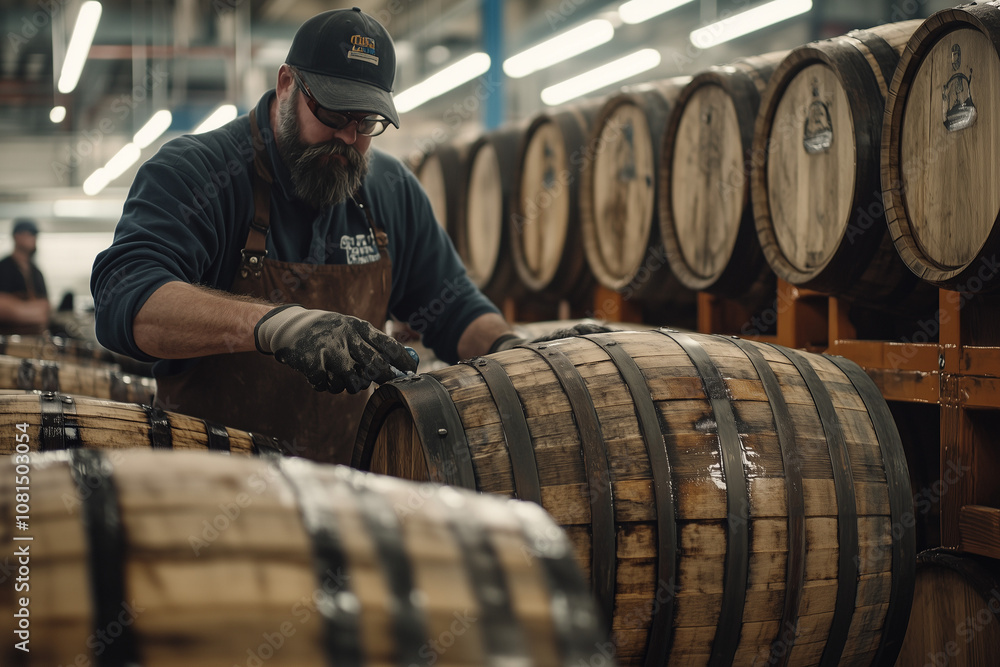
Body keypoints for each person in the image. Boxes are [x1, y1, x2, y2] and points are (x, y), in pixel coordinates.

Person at [91, 8, 602, 465]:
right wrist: (276, 326)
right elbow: (125, 299)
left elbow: (452, 308)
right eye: (333, 114)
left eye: (366, 122)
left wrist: (514, 349)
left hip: (349, 496)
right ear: (287, 83)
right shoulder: (198, 172)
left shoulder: (389, 187)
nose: (348, 138)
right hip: (207, 484)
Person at [0, 218, 50, 335]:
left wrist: (15, 307)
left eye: (35, 235)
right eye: (30, 234)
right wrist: (33, 310)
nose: (34, 238)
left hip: (32, 340)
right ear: (16, 236)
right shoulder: (3, 267)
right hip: (6, 342)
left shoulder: (36, 272)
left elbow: (45, 310)